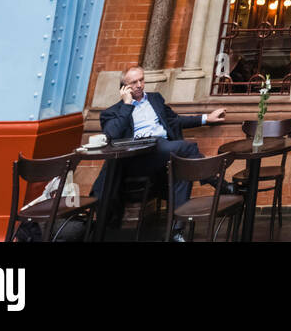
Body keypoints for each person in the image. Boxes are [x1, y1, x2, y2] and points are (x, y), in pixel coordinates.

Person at [93, 65, 229, 241]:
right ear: (124, 87)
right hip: (137, 160)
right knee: (185, 149)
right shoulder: (112, 112)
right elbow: (111, 135)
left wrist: (206, 118)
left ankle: (177, 230)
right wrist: (127, 105)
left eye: (141, 80)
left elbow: (175, 120)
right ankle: (219, 182)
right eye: (133, 83)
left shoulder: (155, 99)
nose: (140, 85)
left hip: (163, 153)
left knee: (182, 167)